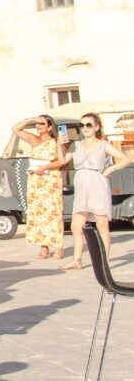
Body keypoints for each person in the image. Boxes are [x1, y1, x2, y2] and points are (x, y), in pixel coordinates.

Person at [62, 113, 123, 271]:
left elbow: (125, 159)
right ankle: (77, 260)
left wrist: (111, 167)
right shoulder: (75, 145)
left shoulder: (104, 145)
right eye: (82, 125)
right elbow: (62, 161)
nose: (85, 128)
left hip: (98, 184)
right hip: (82, 186)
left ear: (97, 127)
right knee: (76, 225)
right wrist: (58, 144)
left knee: (102, 225)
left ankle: (104, 261)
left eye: (88, 125)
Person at [12, 114, 64, 261]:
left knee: (53, 212)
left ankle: (58, 246)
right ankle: (44, 246)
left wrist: (46, 165)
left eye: (42, 124)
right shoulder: (35, 140)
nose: (38, 127)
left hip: (50, 179)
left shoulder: (56, 142)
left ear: (49, 127)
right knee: (39, 214)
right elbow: (15, 129)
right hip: (36, 180)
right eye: (37, 124)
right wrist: (30, 120)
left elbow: (62, 161)